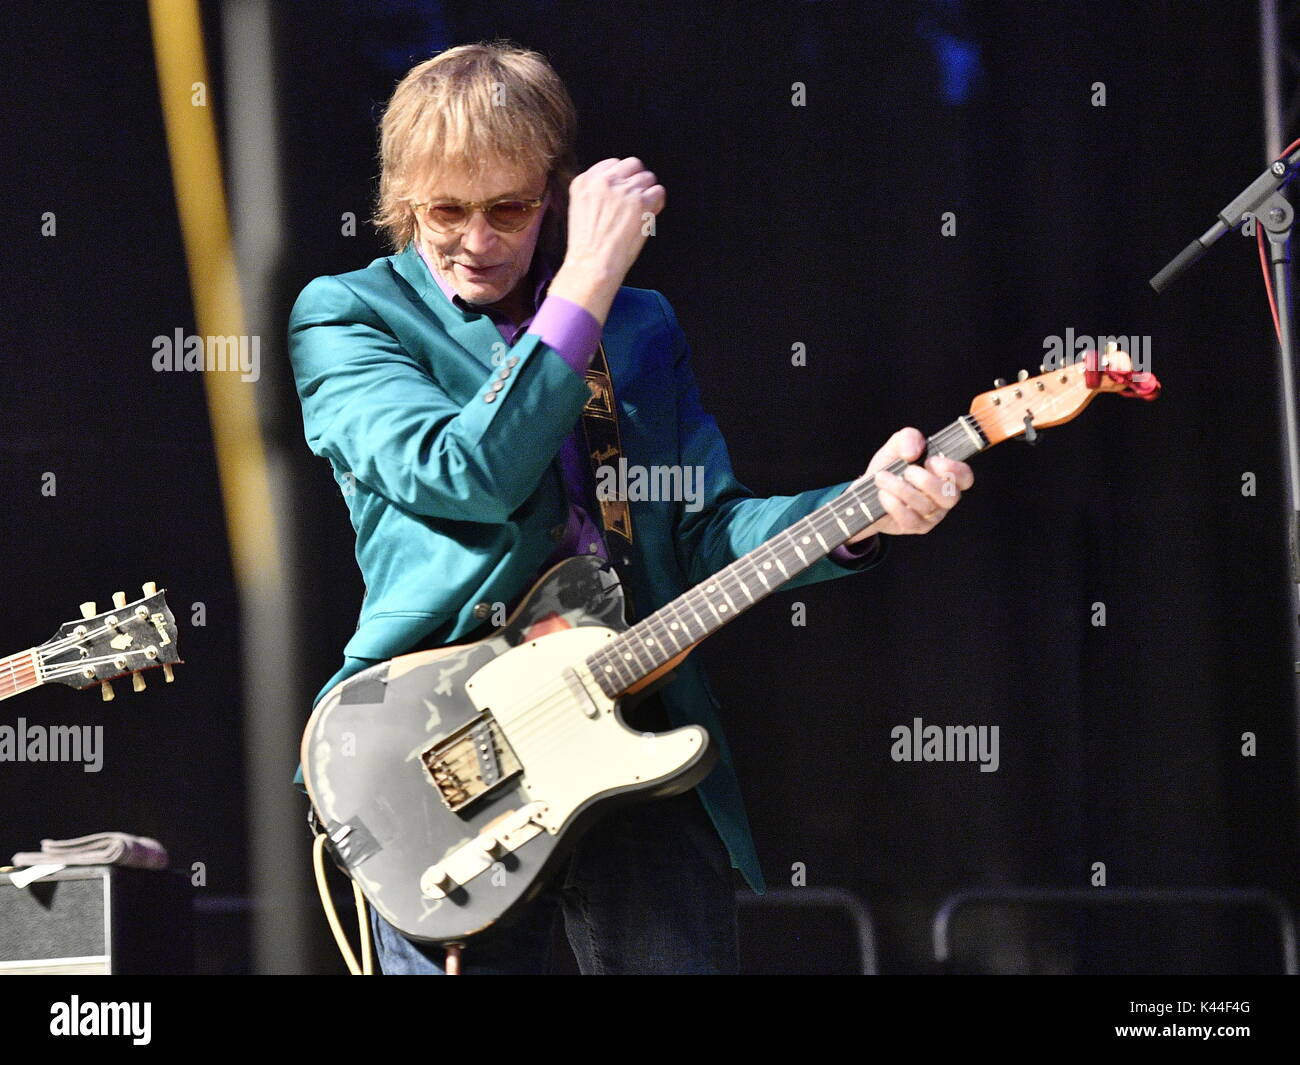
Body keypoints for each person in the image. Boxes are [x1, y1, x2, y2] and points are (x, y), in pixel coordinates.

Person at [288, 41, 973, 975]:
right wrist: (586, 279)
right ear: (403, 198)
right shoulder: (349, 316)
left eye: (510, 208)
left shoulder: (640, 324)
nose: (476, 240)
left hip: (630, 730)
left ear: (557, 190)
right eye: (445, 210)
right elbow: (467, 474)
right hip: (439, 754)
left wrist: (862, 512)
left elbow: (704, 529)